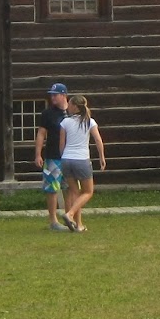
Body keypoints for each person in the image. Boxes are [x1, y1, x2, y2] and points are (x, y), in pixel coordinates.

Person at [58, 95, 106, 232]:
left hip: (66, 159)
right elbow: (98, 140)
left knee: (74, 192)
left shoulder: (65, 122)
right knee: (88, 191)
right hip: (81, 159)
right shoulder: (89, 122)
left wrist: (63, 157)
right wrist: (101, 157)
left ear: (74, 106)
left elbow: (61, 144)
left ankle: (78, 225)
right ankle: (70, 214)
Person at [34, 82, 70, 231]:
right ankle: (53, 221)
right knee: (52, 188)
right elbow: (41, 133)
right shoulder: (48, 114)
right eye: (51, 95)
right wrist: (38, 154)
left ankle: (70, 216)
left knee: (71, 188)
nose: (52, 97)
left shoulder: (74, 112)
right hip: (52, 156)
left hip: (70, 157)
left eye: (55, 94)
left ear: (64, 95)